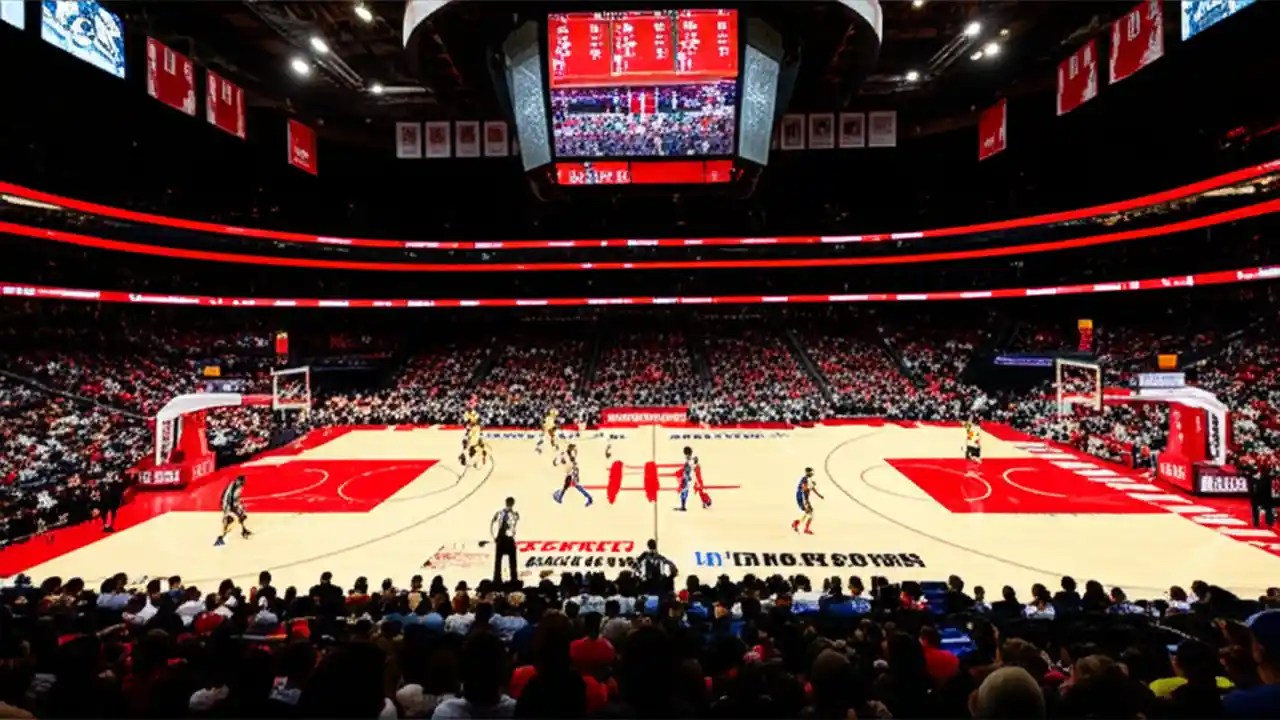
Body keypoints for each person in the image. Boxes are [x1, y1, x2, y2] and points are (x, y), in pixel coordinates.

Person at [214, 475, 251, 546]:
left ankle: (244, 530)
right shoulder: (232, 487)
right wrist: (228, 510)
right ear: (237, 481)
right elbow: (228, 498)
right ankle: (221, 537)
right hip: (227, 503)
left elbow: (237, 497)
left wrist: (240, 506)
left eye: (242, 482)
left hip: (233, 503)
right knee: (228, 519)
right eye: (240, 481)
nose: (242, 483)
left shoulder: (240, 486)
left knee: (242, 515)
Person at [491, 497, 519, 584]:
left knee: (502, 560)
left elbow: (492, 524)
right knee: (507, 559)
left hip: (504, 538)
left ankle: (500, 579)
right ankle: (508, 579)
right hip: (505, 537)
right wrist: (495, 536)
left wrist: (494, 536)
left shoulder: (502, 513)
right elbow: (493, 523)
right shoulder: (510, 514)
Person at [792, 467, 823, 534]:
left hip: (801, 497)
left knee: (808, 512)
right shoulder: (807, 480)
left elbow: (811, 488)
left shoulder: (805, 479)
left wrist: (819, 495)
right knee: (810, 513)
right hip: (803, 498)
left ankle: (798, 524)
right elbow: (806, 488)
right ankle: (801, 526)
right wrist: (806, 500)